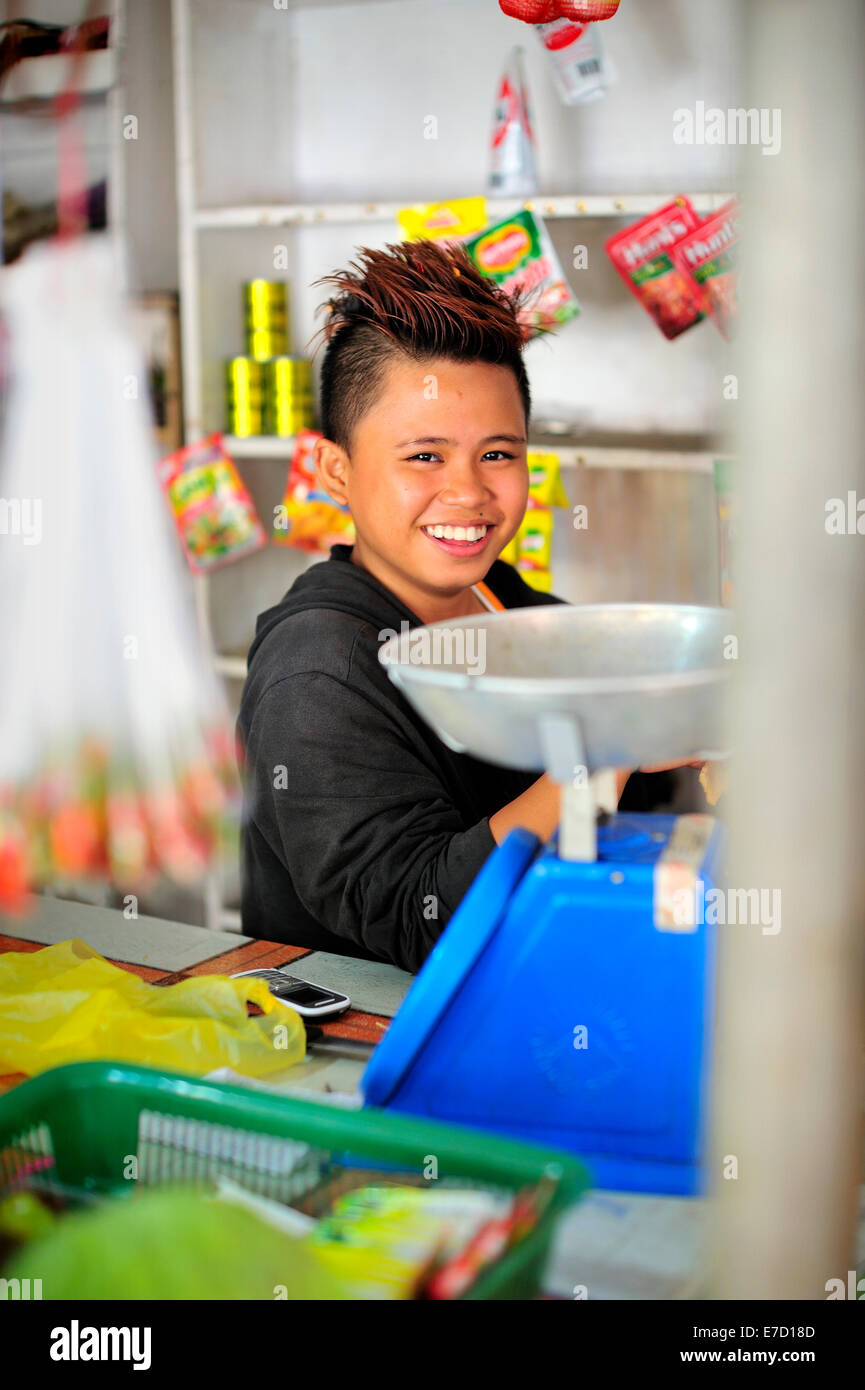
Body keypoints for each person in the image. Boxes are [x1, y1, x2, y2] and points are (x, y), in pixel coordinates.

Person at [237, 239, 686, 973]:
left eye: (498, 454)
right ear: (336, 472)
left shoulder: (503, 602)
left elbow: (639, 764)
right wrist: (604, 757)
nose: (469, 493)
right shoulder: (319, 671)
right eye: (423, 456)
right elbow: (424, 915)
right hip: (378, 1053)